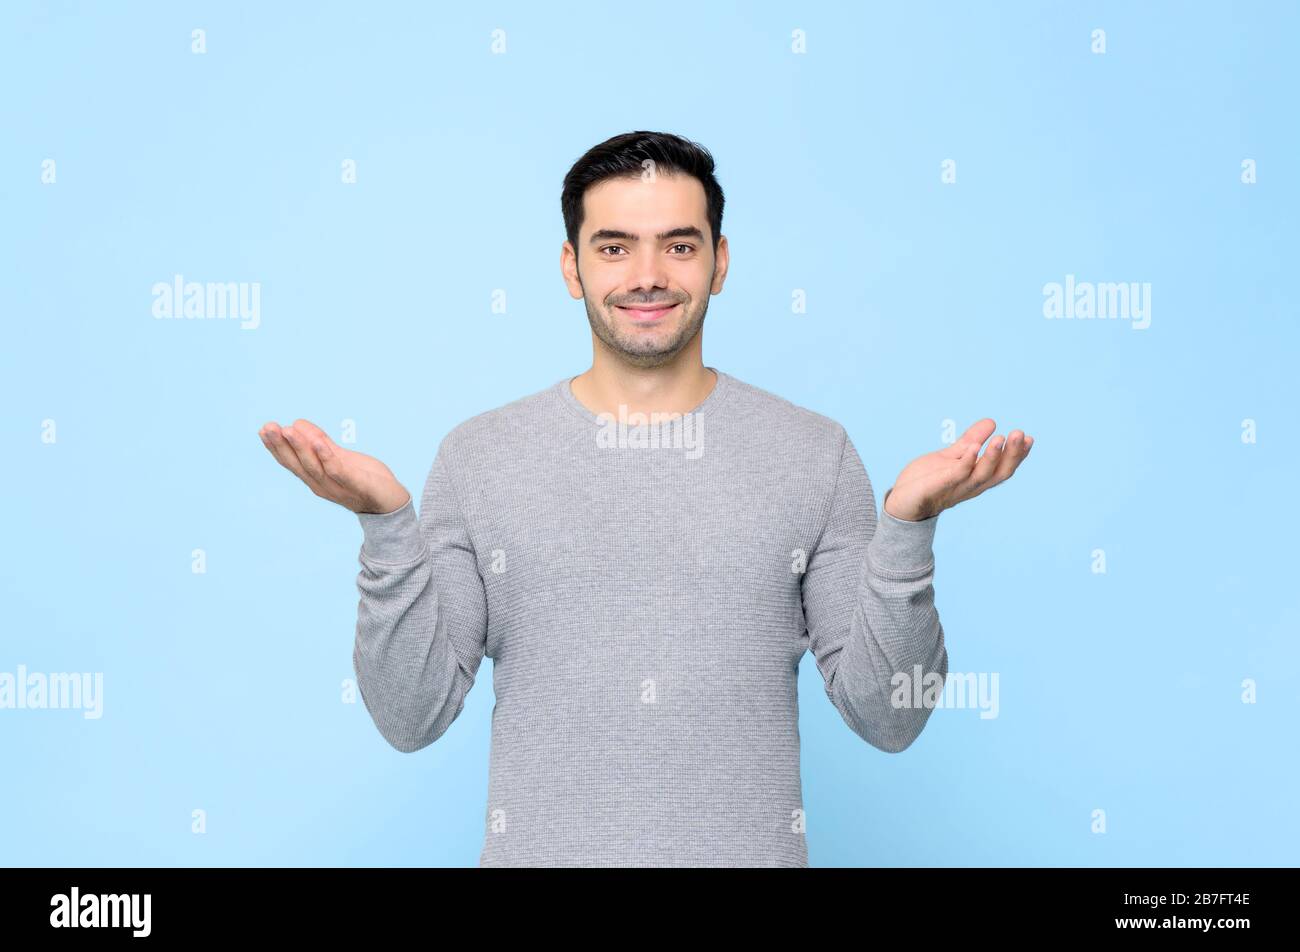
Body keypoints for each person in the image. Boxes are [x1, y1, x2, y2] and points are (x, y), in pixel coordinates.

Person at [257, 130, 1033, 867]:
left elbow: (891, 718)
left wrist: (909, 527)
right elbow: (411, 715)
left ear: (720, 261)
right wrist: (386, 527)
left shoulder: (814, 453)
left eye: (680, 244)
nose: (648, 274)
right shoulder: (478, 457)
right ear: (572, 267)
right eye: (615, 246)